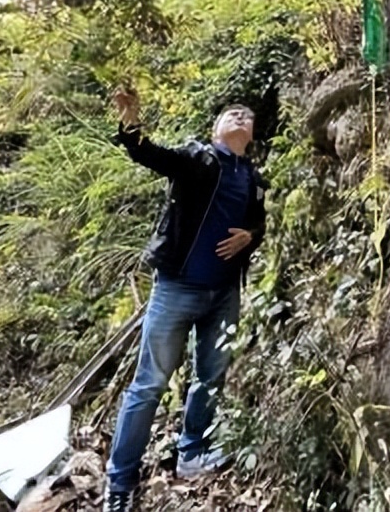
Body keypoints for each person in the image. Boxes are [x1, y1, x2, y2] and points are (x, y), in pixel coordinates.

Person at [102, 88, 268, 512]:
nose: (239, 116)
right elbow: (150, 154)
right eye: (232, 112)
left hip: (223, 294)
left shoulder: (251, 178)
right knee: (150, 384)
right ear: (216, 128)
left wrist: (250, 236)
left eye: (246, 116)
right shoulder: (198, 159)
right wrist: (131, 121)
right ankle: (119, 483)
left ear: (252, 134)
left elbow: (259, 225)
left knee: (211, 376)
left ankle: (192, 452)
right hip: (176, 289)